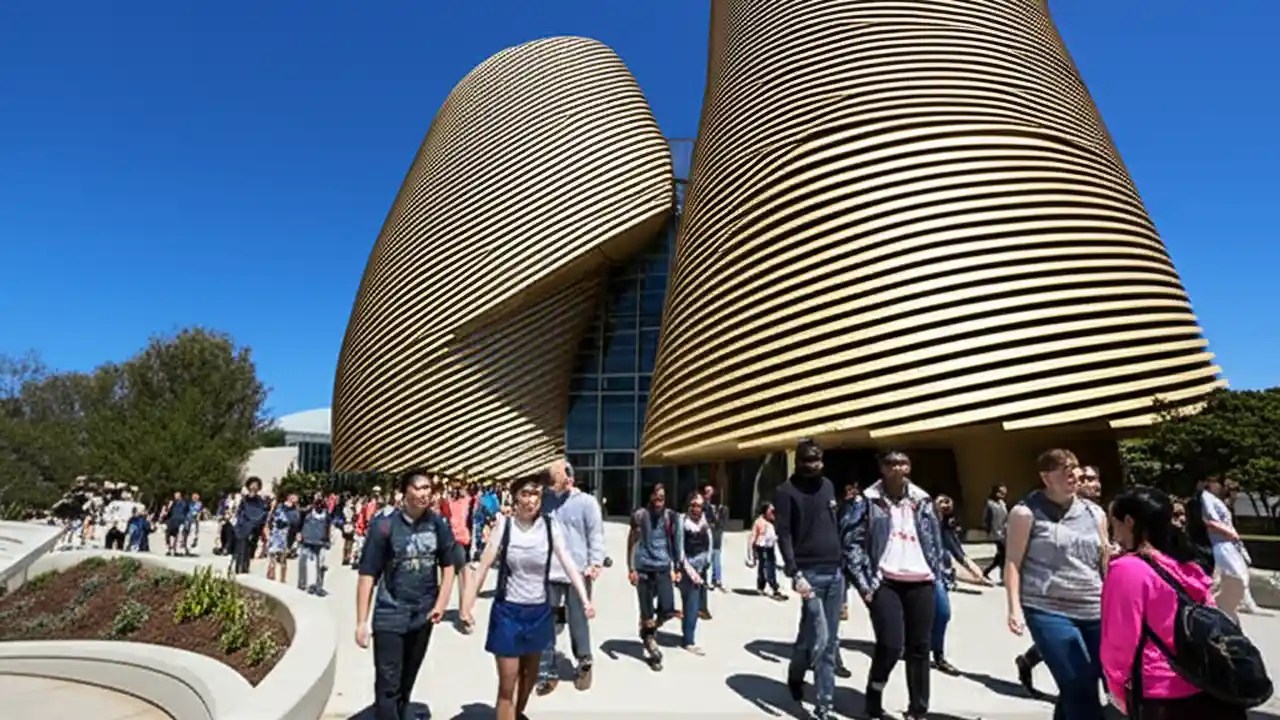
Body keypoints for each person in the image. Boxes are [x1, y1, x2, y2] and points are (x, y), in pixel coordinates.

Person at [1100, 486, 1246, 719]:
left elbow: (1120, 639)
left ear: (1129, 521)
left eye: (1113, 522)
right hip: (1208, 680)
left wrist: (1117, 688)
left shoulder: (1127, 569)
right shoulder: (1187, 562)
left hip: (1159, 688)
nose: (1112, 530)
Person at [462, 473, 594, 720]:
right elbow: (482, 567)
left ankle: (517, 713)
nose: (531, 499)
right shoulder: (505, 525)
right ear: (515, 498)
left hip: (539, 612)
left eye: (535, 493)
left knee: (528, 679)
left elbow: (568, 562)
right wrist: (467, 605)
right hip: (508, 613)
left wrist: (585, 600)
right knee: (507, 686)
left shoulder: (549, 526)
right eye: (525, 493)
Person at [1005, 449, 1108, 720]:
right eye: (1064, 470)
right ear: (1045, 477)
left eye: (1074, 468)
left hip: (1094, 607)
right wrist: (1014, 608)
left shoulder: (1095, 513)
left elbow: (1104, 560)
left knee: (1086, 680)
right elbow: (1013, 562)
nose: (1073, 474)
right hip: (1047, 608)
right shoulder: (1026, 512)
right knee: (1078, 684)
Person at [844, 451, 946, 720]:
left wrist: (939, 573)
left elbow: (935, 539)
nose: (898, 468)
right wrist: (865, 584)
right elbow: (851, 543)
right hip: (884, 580)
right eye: (891, 464)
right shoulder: (866, 501)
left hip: (921, 580)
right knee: (890, 644)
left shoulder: (923, 500)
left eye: (903, 463)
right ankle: (875, 690)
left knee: (920, 647)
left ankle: (918, 709)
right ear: (882, 468)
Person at [356, 470, 456, 720]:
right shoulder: (385, 526)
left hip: (422, 615)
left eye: (428, 489)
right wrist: (361, 621)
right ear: (404, 492)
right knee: (388, 684)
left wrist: (441, 603)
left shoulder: (437, 524)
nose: (424, 494)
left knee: (407, 680)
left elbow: (449, 564)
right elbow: (368, 574)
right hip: (390, 613)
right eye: (418, 488)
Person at [774, 439, 844, 720]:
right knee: (825, 641)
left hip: (835, 572)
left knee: (811, 635)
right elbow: (784, 534)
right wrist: (794, 572)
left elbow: (833, 523)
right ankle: (825, 706)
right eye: (806, 460)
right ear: (797, 461)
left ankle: (795, 675)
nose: (812, 465)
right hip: (808, 574)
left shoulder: (828, 486)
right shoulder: (785, 491)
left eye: (816, 460)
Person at [537, 459, 604, 695]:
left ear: (569, 479)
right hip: (550, 572)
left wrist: (596, 562)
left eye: (555, 481)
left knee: (578, 621)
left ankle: (584, 663)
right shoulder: (545, 501)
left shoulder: (586, 503)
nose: (551, 486)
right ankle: (548, 671)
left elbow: (595, 535)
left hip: (578, 571)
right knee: (546, 623)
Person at [932, 494, 992, 676]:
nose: (944, 506)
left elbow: (959, 554)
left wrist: (978, 573)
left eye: (947, 504)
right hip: (914, 575)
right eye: (941, 502)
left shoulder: (944, 530)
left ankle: (938, 655)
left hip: (938, 577)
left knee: (942, 614)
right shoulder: (918, 524)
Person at [626, 483, 680, 670]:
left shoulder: (670, 516)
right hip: (644, 568)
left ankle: (648, 627)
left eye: (662, 498)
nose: (659, 501)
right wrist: (631, 568)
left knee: (668, 608)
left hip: (663, 567)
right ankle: (652, 647)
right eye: (656, 497)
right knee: (646, 609)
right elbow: (632, 541)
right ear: (650, 497)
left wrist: (677, 566)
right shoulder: (640, 515)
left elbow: (675, 542)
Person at [1197, 476, 1252, 624]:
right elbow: (1211, 521)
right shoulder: (1206, 498)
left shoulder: (1217, 500)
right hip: (1222, 544)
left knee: (1237, 578)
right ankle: (1213, 608)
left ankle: (1229, 610)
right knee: (1234, 577)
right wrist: (1230, 533)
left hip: (1229, 544)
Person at [675, 490, 714, 655]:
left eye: (699, 505)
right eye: (693, 505)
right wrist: (688, 569)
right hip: (687, 568)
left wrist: (707, 561)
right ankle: (688, 640)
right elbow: (680, 548)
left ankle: (688, 635)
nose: (696, 508)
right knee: (690, 603)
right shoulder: (682, 522)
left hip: (701, 566)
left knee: (694, 604)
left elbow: (710, 543)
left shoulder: (704, 523)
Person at [233, 477, 269, 574]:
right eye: (252, 484)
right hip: (242, 528)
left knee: (249, 550)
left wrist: (256, 525)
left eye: (256, 485)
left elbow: (262, 514)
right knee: (239, 550)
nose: (253, 487)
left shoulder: (260, 502)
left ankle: (245, 569)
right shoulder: (243, 500)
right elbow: (239, 513)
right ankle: (238, 570)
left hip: (253, 529)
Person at [747, 502, 784, 599]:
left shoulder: (772, 521)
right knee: (765, 567)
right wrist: (751, 554)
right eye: (770, 510)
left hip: (770, 547)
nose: (773, 512)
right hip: (762, 547)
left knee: (770, 566)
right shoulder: (759, 522)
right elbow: (752, 537)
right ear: (765, 511)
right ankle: (769, 587)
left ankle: (769, 586)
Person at [297, 493, 332, 596]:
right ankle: (305, 585)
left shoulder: (327, 515)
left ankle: (318, 586)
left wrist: (328, 541)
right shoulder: (307, 512)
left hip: (321, 542)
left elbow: (328, 527)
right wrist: (299, 535)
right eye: (317, 500)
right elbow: (299, 523)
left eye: (321, 500)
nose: (319, 503)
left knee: (321, 566)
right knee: (306, 563)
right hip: (307, 541)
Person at [266, 494, 302, 584]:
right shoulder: (279, 506)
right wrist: (267, 532)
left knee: (283, 558)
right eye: (294, 496)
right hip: (275, 533)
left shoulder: (295, 510)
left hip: (285, 535)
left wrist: (297, 535)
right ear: (289, 497)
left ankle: (282, 580)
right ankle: (271, 577)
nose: (296, 499)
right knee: (272, 557)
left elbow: (297, 524)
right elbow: (270, 519)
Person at [702, 482, 726, 595]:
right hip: (707, 535)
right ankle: (708, 579)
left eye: (710, 492)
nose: (709, 495)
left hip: (717, 534)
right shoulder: (703, 506)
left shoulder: (720, 507)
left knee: (716, 555)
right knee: (709, 557)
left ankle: (717, 579)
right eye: (707, 492)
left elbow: (722, 520)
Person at [982, 484, 1008, 582]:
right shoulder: (990, 504)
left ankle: (986, 572)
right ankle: (1003, 576)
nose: (1003, 494)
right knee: (1004, 554)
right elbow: (986, 519)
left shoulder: (1002, 504)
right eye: (1000, 492)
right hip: (996, 533)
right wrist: (989, 530)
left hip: (1004, 533)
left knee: (1001, 556)